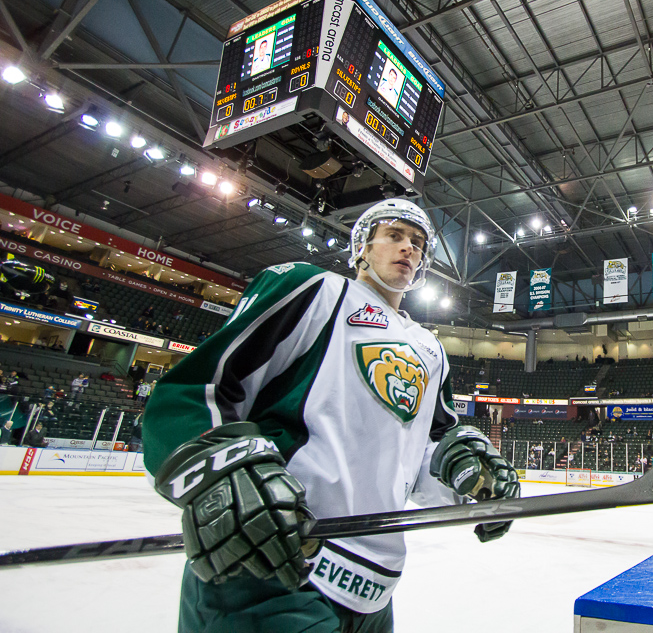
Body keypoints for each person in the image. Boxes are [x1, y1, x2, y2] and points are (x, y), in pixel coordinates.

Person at [143, 198, 519, 632]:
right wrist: (216, 472)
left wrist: (471, 482)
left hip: (374, 589)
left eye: (417, 243)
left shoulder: (429, 347)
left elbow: (418, 463)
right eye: (395, 235)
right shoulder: (313, 288)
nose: (408, 249)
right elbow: (198, 388)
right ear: (362, 247)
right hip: (273, 561)